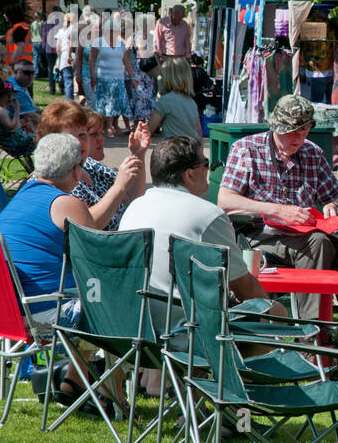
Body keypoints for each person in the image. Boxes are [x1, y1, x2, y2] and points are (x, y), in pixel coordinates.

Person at [120, 136, 286, 386]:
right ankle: (230, 399)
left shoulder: (135, 207)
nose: (210, 171)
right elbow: (247, 290)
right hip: (187, 331)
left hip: (134, 327)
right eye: (206, 164)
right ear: (190, 174)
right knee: (273, 312)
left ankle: (188, 394)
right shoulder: (207, 214)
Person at [217, 94, 338, 349]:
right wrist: (278, 210)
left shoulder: (311, 152)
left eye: (303, 132)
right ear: (275, 127)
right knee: (317, 242)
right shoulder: (246, 149)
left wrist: (333, 206)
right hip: (265, 237)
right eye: (292, 133)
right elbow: (224, 200)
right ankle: (312, 339)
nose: (299, 139)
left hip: (310, 236)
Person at [0, 132, 127, 414]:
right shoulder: (65, 203)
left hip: (9, 312)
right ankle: (113, 397)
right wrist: (119, 187)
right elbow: (97, 247)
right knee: (116, 302)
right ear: (73, 169)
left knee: (94, 296)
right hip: (46, 313)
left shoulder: (19, 198)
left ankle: (74, 381)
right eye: (80, 166)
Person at [36, 99, 146, 231]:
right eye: (71, 137)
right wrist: (119, 187)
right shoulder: (56, 176)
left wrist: (138, 155)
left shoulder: (89, 165)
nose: (80, 143)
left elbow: (133, 198)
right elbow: (85, 229)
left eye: (83, 135)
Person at [89, 13, 133, 135]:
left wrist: (132, 76)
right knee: (108, 102)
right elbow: (92, 60)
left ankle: (115, 124)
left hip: (119, 77)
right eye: (114, 31)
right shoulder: (99, 42)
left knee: (119, 101)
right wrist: (93, 76)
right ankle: (107, 126)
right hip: (104, 77)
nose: (117, 33)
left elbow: (126, 61)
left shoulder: (121, 44)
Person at [146, 58, 201, 139]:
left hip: (173, 148)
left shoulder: (165, 101)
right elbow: (199, 133)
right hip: (191, 147)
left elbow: (149, 129)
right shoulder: (192, 102)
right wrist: (200, 151)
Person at [0, 81, 37, 158]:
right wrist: (17, 109)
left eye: (12, 95)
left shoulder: (1, 108)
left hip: (14, 142)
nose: (11, 99)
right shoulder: (0, 111)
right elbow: (12, 128)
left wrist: (21, 122)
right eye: (8, 96)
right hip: (15, 146)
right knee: (44, 139)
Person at [127, 21, 158, 123]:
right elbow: (140, 52)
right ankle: (138, 125)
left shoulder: (148, 37)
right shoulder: (136, 37)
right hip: (140, 71)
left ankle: (145, 125)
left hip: (147, 72)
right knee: (140, 98)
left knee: (148, 97)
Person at [7, 61, 41, 132]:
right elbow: (32, 117)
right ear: (16, 72)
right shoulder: (17, 90)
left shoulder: (13, 82)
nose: (31, 76)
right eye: (27, 73)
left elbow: (33, 108)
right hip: (16, 133)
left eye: (33, 73)